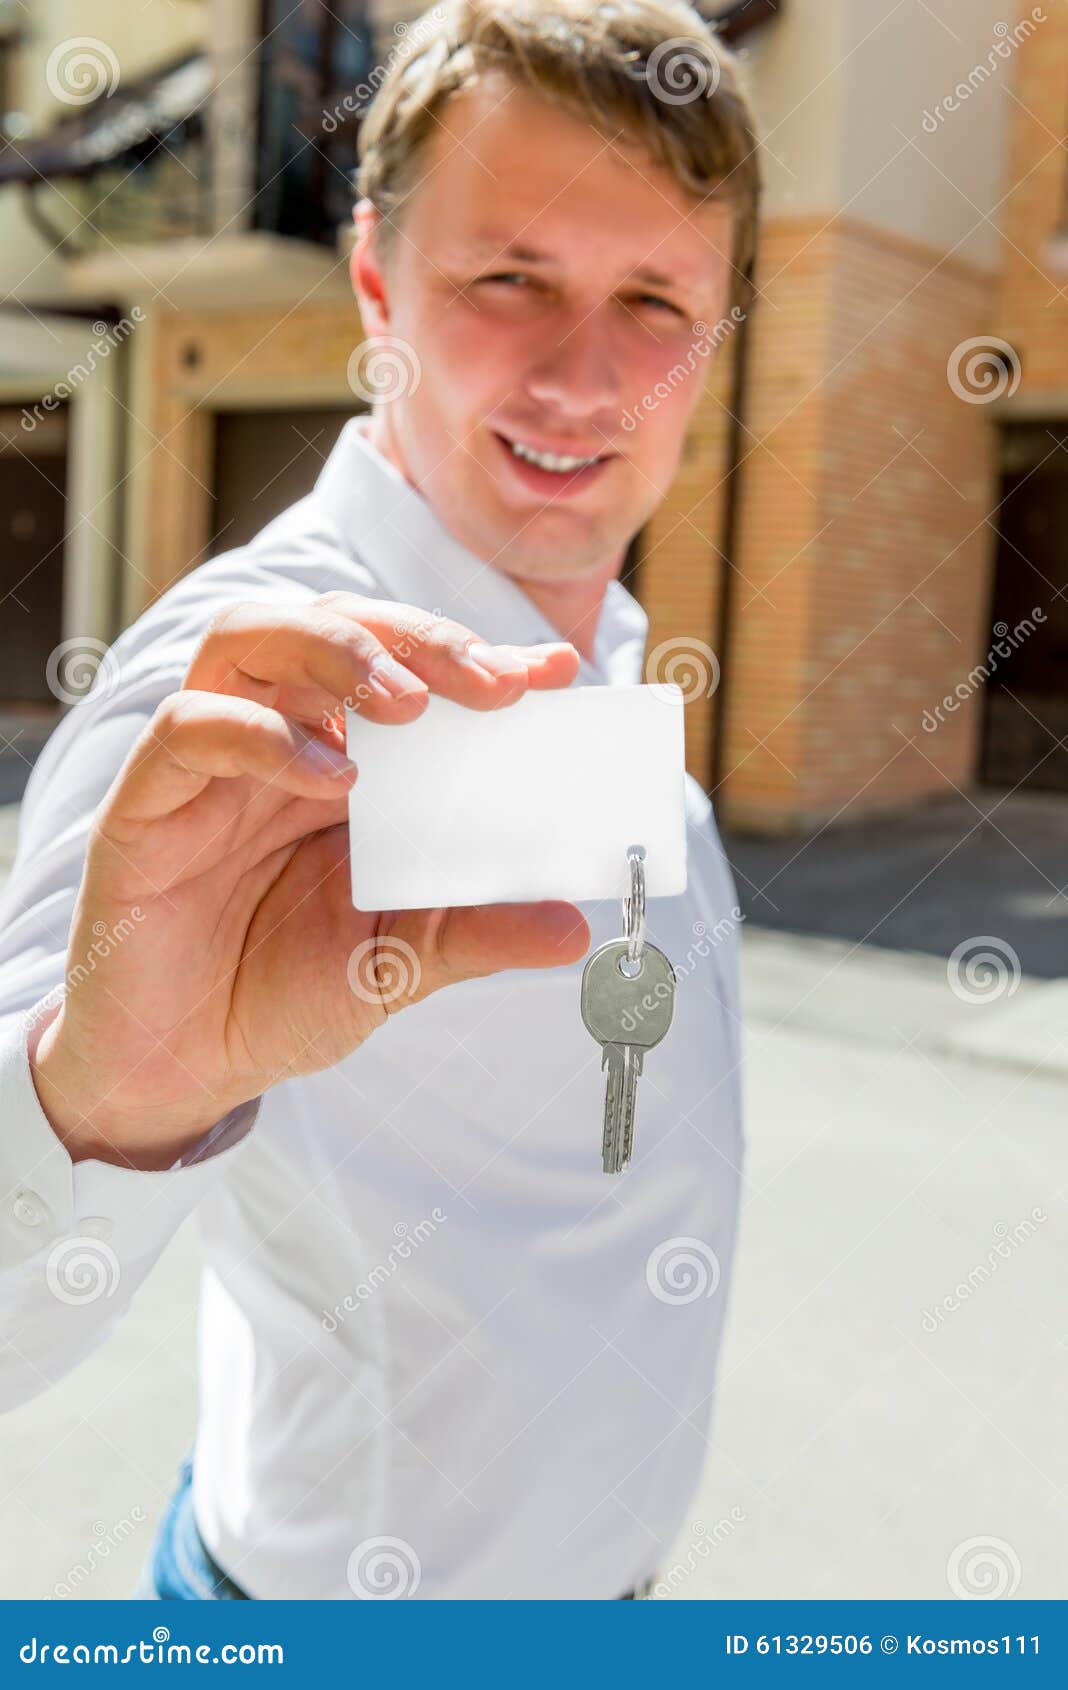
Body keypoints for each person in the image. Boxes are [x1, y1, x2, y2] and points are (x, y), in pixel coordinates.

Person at [0, 0, 759, 1599]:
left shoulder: (608, 659)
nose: (585, 377)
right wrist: (98, 1099)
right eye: (510, 280)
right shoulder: (244, 688)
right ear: (374, 285)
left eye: (654, 301)